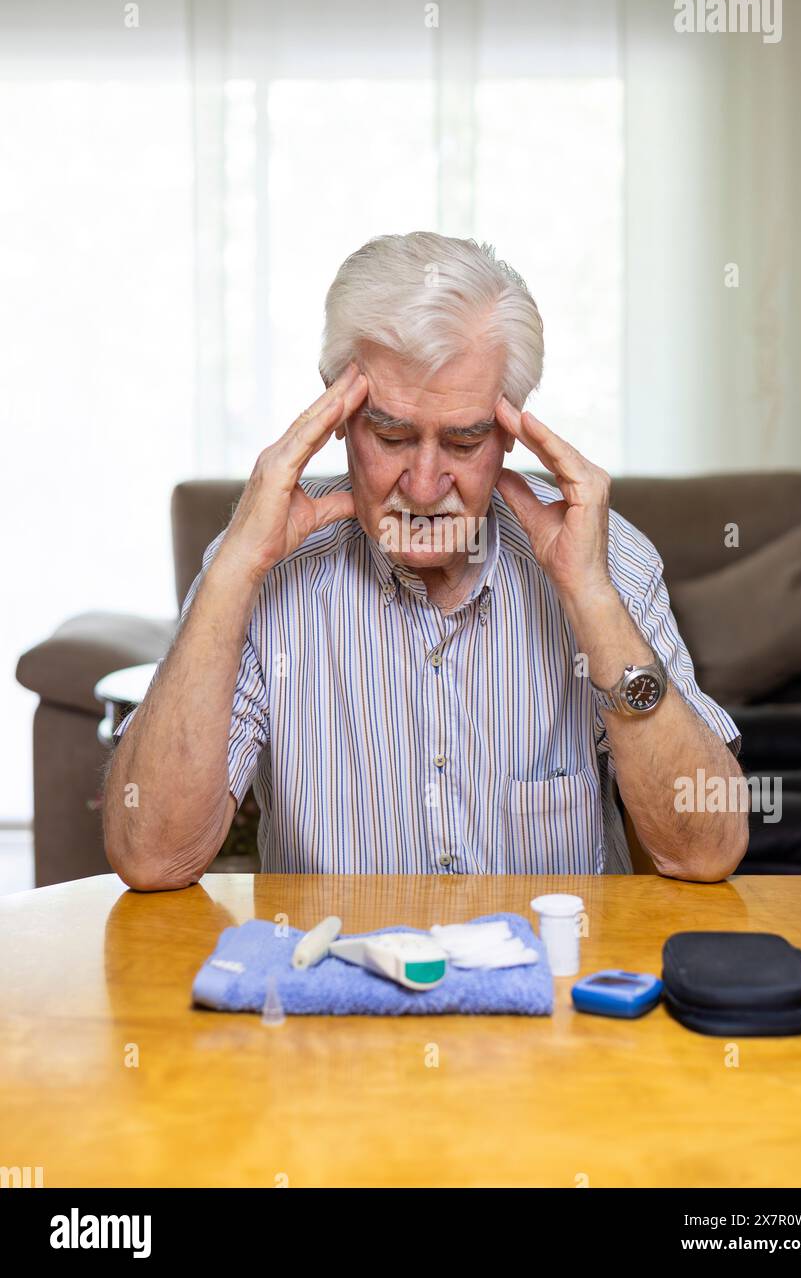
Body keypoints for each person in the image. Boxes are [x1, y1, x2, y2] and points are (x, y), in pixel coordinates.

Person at [104, 232, 747, 888]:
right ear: (335, 414)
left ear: (513, 429)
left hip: (556, 984)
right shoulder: (260, 571)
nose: (422, 483)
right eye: (391, 436)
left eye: (465, 441)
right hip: (334, 979)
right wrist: (237, 563)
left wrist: (590, 596)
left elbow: (706, 850)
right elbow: (153, 856)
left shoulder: (613, 561)